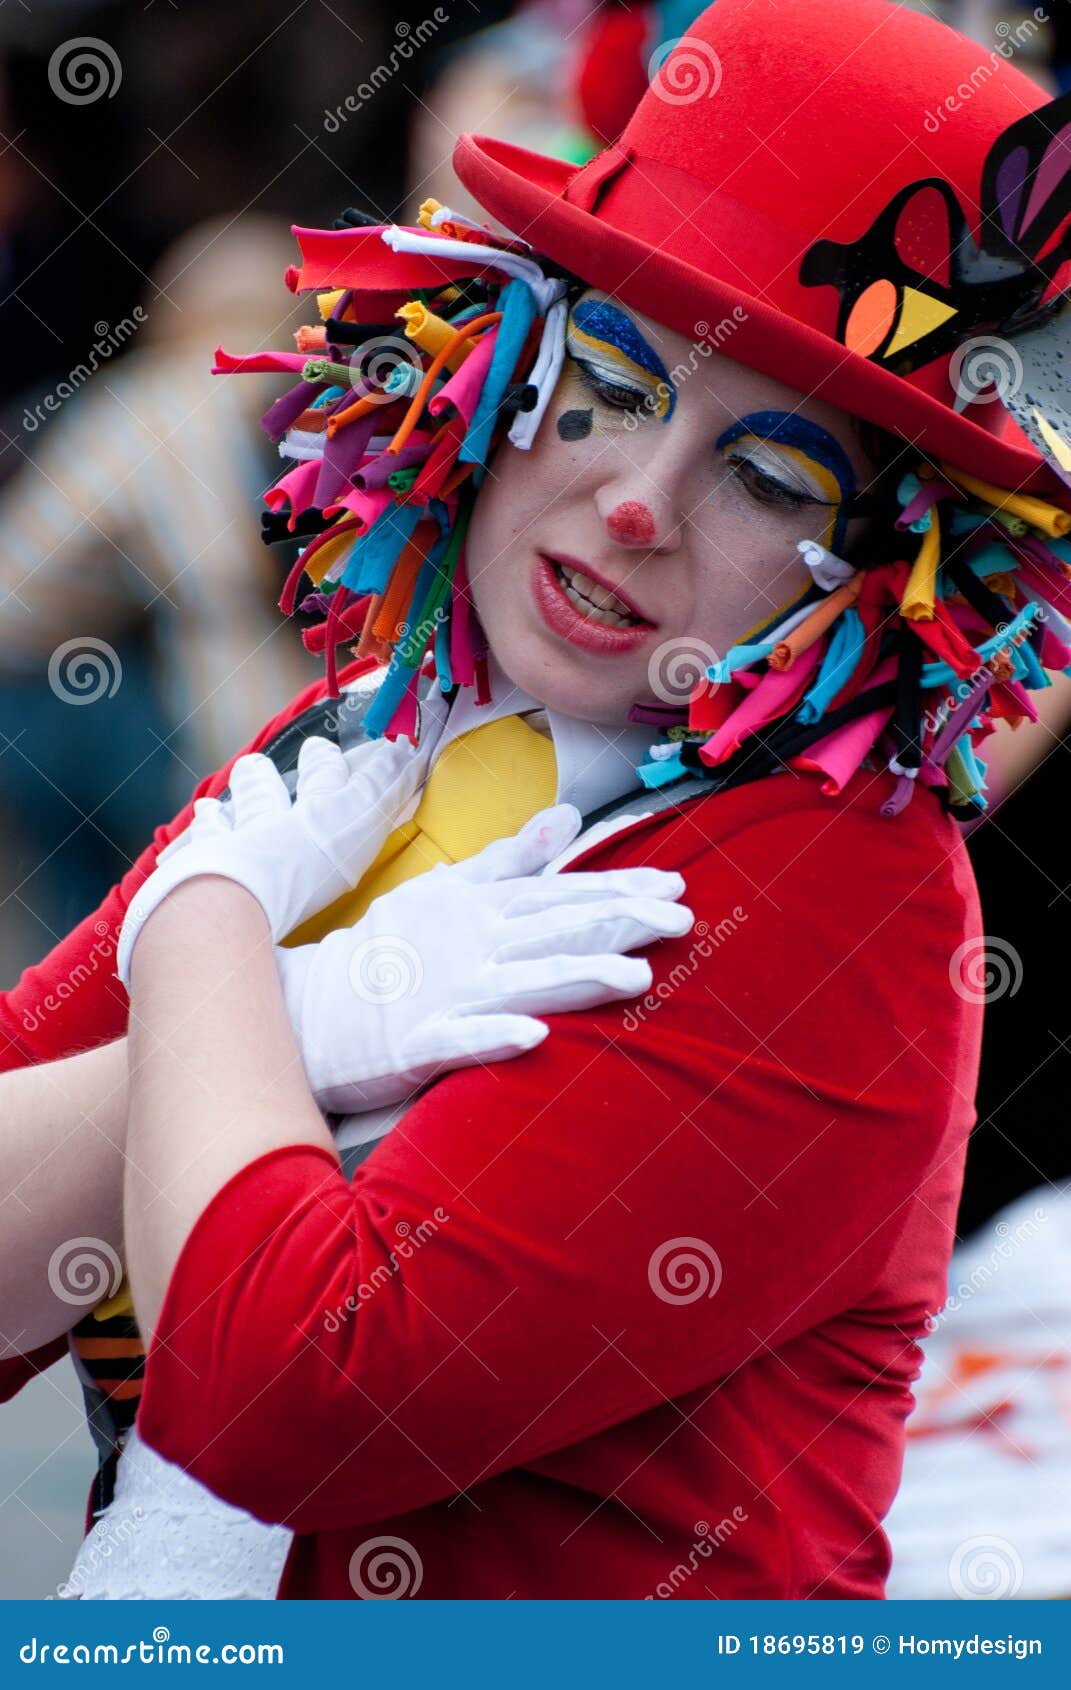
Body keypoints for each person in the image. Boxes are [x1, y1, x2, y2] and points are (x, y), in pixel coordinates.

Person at [3, 0, 1071, 1600]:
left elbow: (288, 1399)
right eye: (614, 375)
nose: (637, 495)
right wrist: (292, 1009)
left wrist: (210, 932)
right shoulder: (355, 742)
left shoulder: (851, 892)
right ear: (495, 365)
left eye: (770, 473)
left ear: (887, 569)